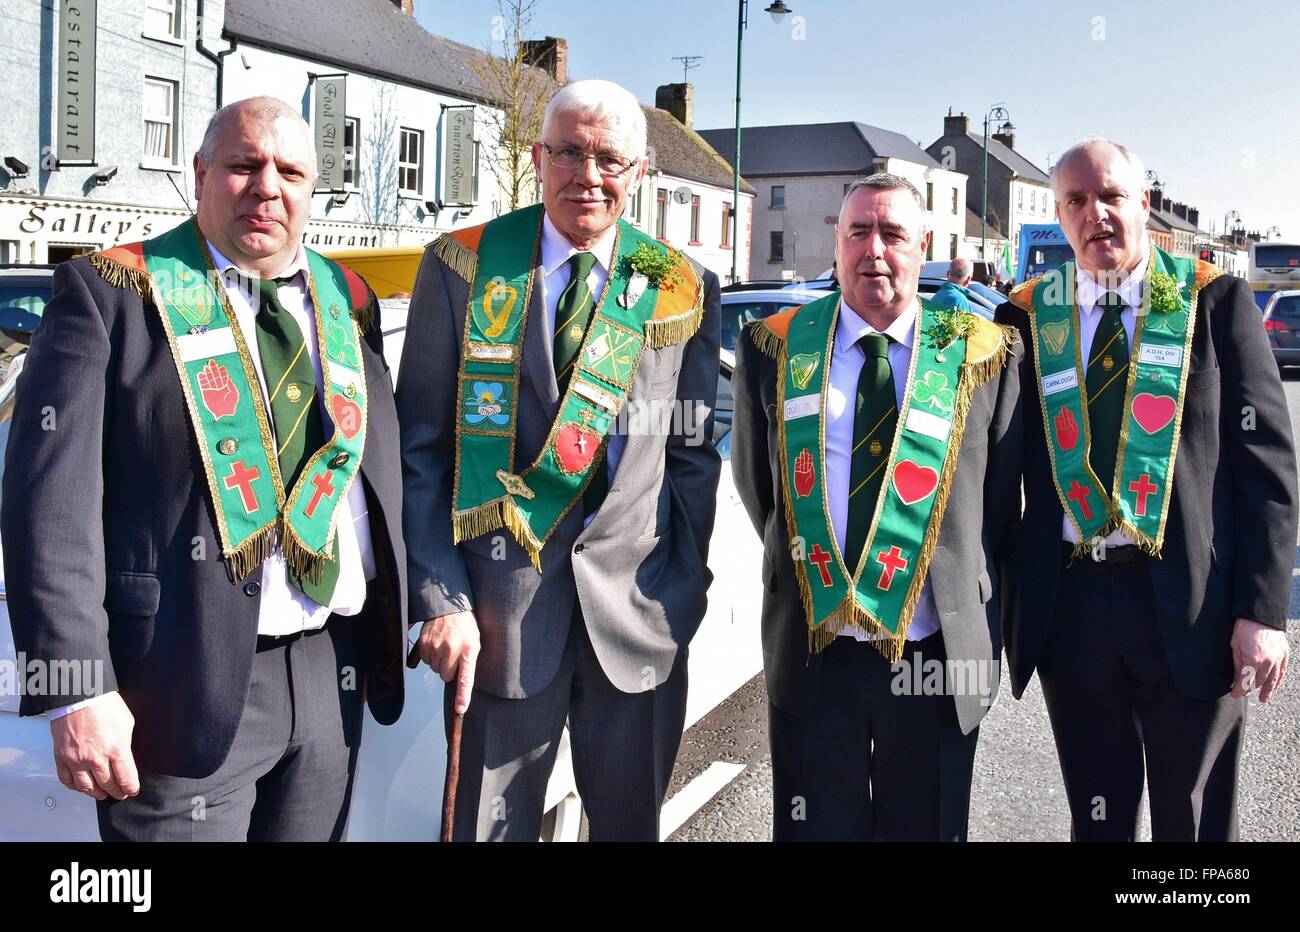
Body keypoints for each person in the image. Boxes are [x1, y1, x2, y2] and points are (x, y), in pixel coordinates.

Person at [1, 97, 408, 841]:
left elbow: (378, 468)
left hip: (329, 666)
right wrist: (73, 691)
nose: (266, 187)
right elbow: (48, 509)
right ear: (199, 174)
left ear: (312, 191)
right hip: (176, 679)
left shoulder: (348, 299)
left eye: (289, 171)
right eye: (244, 165)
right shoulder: (110, 295)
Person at [399, 79, 722, 841]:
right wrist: (440, 599)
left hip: (638, 619)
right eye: (569, 152)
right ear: (538, 158)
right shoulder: (462, 267)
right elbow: (421, 450)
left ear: (639, 174)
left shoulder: (680, 286)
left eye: (610, 158)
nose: (589, 174)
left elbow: (693, 454)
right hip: (497, 619)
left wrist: (682, 585)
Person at [997, 138, 1296, 841]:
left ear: (1145, 205)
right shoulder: (1024, 318)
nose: (1095, 214)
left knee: (1190, 820)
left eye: (1111, 197)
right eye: (1075, 201)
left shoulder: (1212, 302)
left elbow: (1268, 466)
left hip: (1194, 606)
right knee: (1096, 817)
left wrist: (1262, 611)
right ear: (1060, 216)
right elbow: (994, 471)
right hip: (1073, 609)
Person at [731, 173, 1023, 841]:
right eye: (857, 232)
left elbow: (999, 511)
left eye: (892, 234)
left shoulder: (985, 355)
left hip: (936, 654)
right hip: (816, 649)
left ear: (923, 245)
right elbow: (761, 491)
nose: (874, 250)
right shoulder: (771, 349)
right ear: (835, 245)